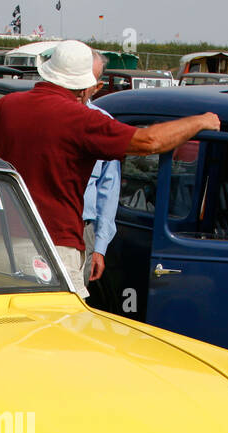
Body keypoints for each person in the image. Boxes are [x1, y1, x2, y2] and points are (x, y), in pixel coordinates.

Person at [0, 39, 219, 298]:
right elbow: (150, 141)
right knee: (61, 335)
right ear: (83, 88)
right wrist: (200, 121)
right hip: (54, 248)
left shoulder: (5, 107)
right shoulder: (83, 119)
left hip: (1, 243)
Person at [81, 54, 120, 295]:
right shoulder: (35, 115)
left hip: (81, 230)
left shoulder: (103, 125)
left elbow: (108, 190)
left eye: (86, 79)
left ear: (97, 87)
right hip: (32, 227)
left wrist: (99, 247)